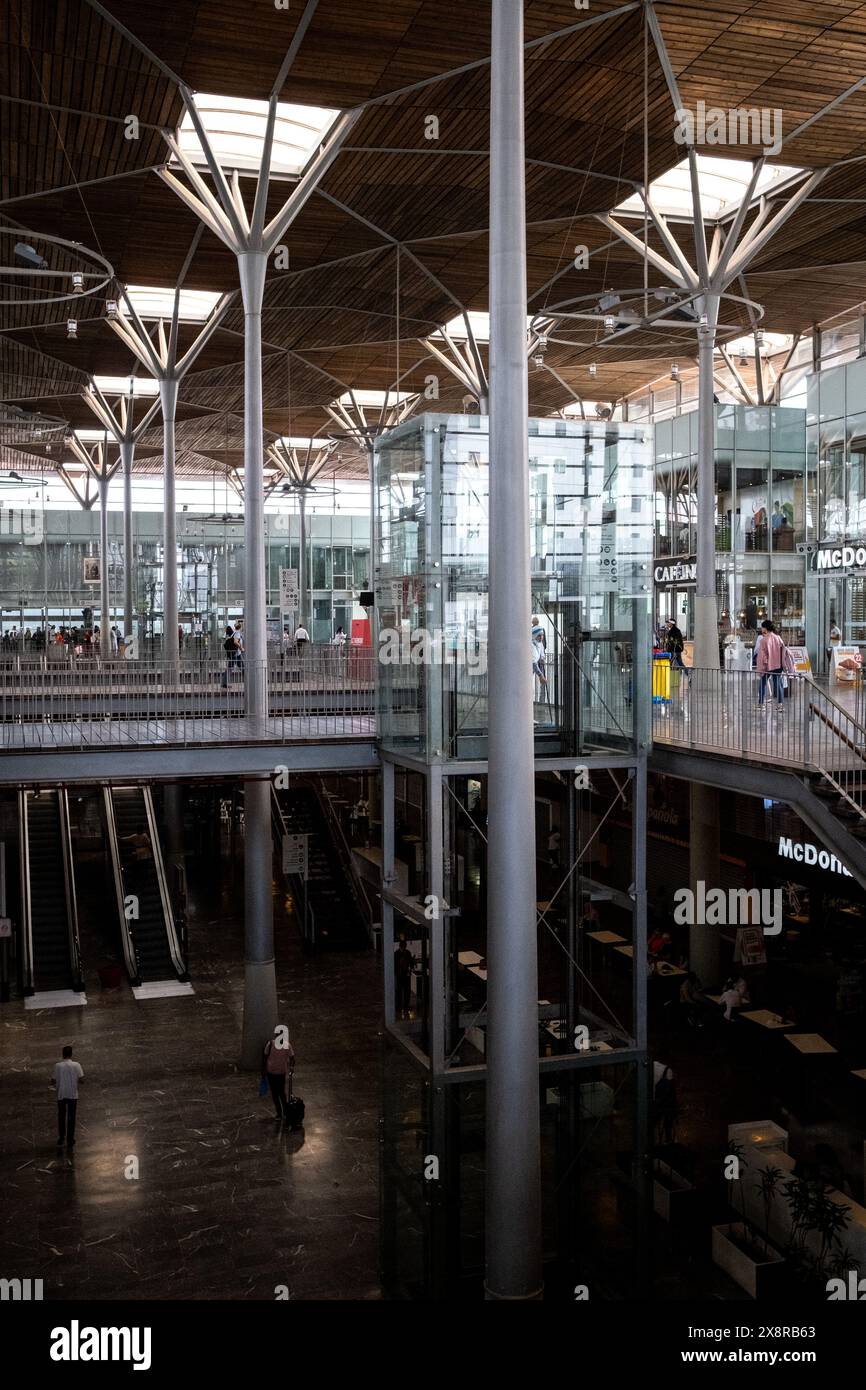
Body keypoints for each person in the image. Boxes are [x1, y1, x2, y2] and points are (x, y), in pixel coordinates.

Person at [52, 1044, 84, 1151]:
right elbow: (82, 1079)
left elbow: (53, 1080)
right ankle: (70, 1139)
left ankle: (61, 1138)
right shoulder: (77, 1065)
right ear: (71, 1054)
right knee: (71, 1117)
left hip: (61, 1094)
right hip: (72, 1095)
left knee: (61, 1116)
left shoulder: (57, 1066)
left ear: (62, 1054)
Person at [755, 619, 793, 708]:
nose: (761, 629)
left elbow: (762, 657)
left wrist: (761, 668)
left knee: (763, 683)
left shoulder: (764, 640)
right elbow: (783, 650)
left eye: (762, 627)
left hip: (767, 666)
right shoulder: (778, 637)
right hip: (778, 665)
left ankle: (761, 703)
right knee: (778, 683)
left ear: (765, 628)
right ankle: (780, 704)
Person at [261, 1026, 295, 1121]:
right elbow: (292, 1057)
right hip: (280, 1072)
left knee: (276, 1094)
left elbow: (265, 1056)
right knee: (281, 1093)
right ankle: (285, 1112)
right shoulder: (287, 1045)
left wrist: (263, 1069)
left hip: (272, 1072)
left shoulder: (270, 1044)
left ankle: (280, 1113)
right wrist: (291, 1067)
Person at [654, 1065, 678, 1144]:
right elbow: (672, 1092)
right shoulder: (667, 1070)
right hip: (665, 1103)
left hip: (655, 1102)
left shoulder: (648, 1066)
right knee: (668, 1120)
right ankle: (668, 1140)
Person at [394, 940, 413, 1018]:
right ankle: (398, 1006)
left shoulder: (407, 953)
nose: (403, 949)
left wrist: (410, 969)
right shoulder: (396, 954)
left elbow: (411, 962)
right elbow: (395, 964)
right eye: (403, 947)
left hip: (406, 974)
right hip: (399, 975)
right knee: (399, 991)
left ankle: (405, 1005)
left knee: (407, 991)